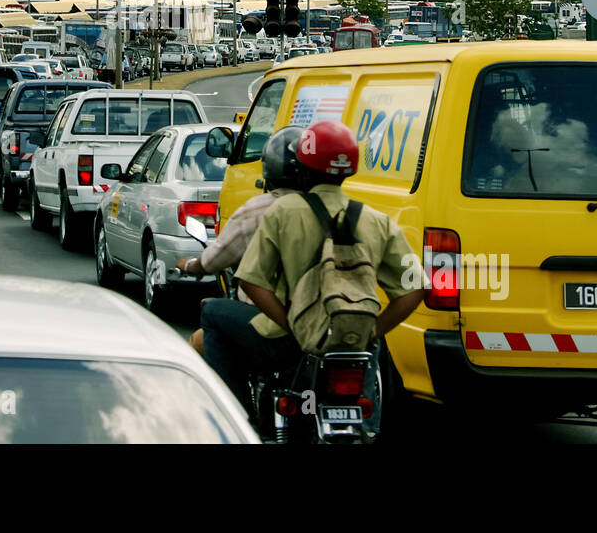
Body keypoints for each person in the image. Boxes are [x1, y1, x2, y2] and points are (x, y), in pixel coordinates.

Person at [201, 119, 429, 421]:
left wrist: (292, 324)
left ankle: (239, 419)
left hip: (290, 340)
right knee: (369, 360)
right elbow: (415, 288)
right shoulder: (376, 220)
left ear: (302, 166)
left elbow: (251, 281)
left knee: (212, 312)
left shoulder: (284, 211)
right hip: (352, 339)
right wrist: (374, 331)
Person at [176, 126, 304, 356]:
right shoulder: (341, 212)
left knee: (211, 313)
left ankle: (229, 393)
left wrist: (191, 265)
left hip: (274, 323)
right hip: (326, 321)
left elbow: (217, 259)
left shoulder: (259, 209)